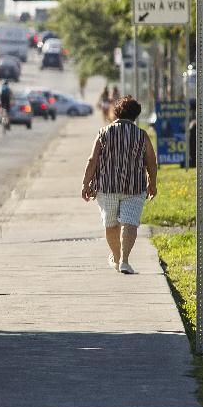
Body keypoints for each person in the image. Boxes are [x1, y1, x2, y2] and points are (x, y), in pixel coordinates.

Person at [80, 96, 158, 274]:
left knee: (111, 225)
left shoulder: (104, 133)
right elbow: (151, 162)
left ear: (117, 112)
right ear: (135, 115)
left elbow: (93, 160)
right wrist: (152, 182)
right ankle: (124, 260)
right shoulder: (141, 135)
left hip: (107, 187)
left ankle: (115, 257)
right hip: (134, 188)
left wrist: (85, 184)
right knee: (130, 224)